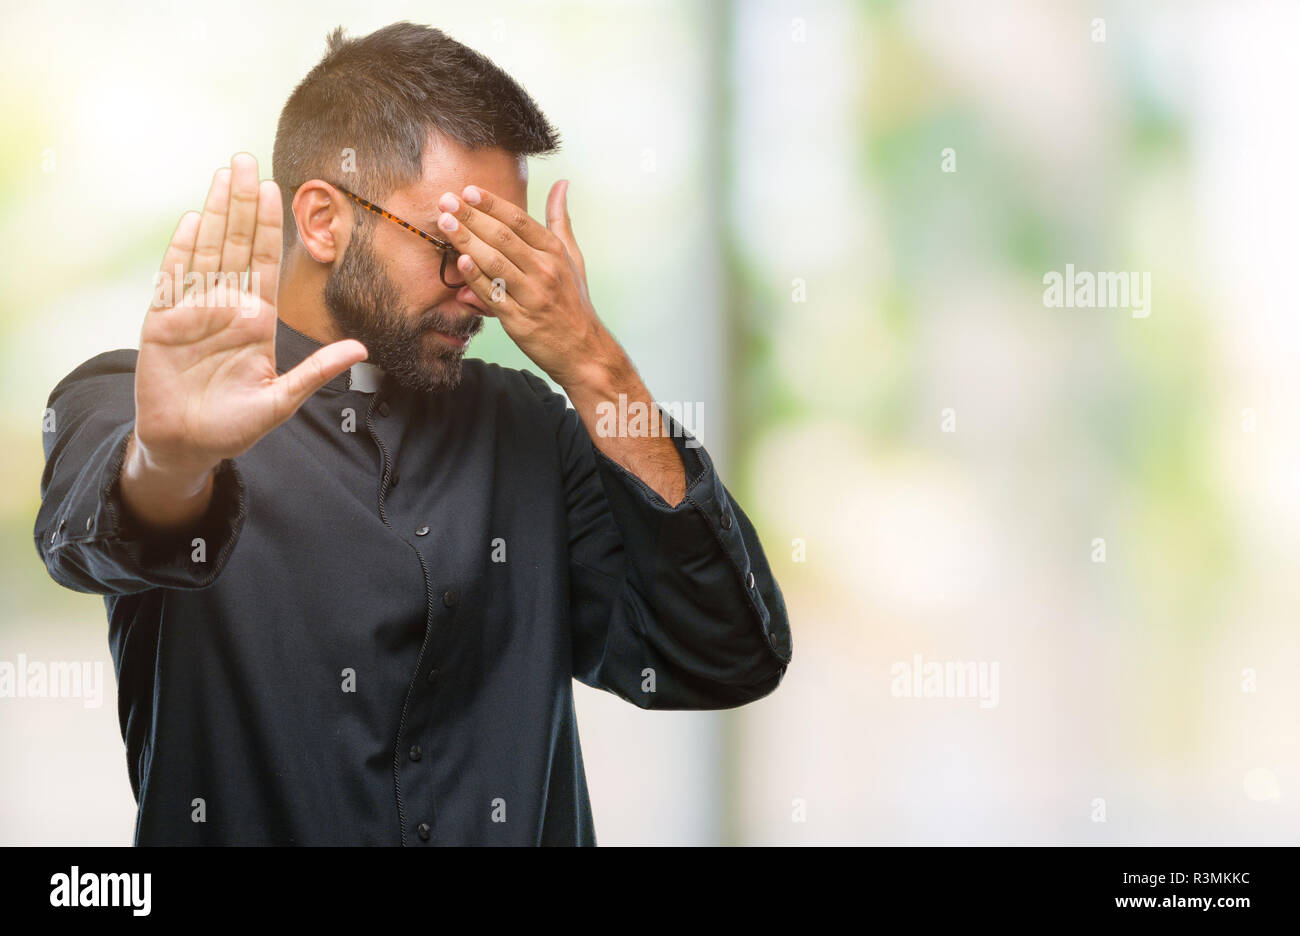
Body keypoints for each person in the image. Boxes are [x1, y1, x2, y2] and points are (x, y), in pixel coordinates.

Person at [33, 21, 791, 846]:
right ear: (324, 221)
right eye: (452, 245)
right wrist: (172, 460)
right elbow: (100, 535)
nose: (479, 288)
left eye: (503, 253)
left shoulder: (533, 426)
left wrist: (599, 370)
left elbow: (725, 653)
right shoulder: (135, 403)